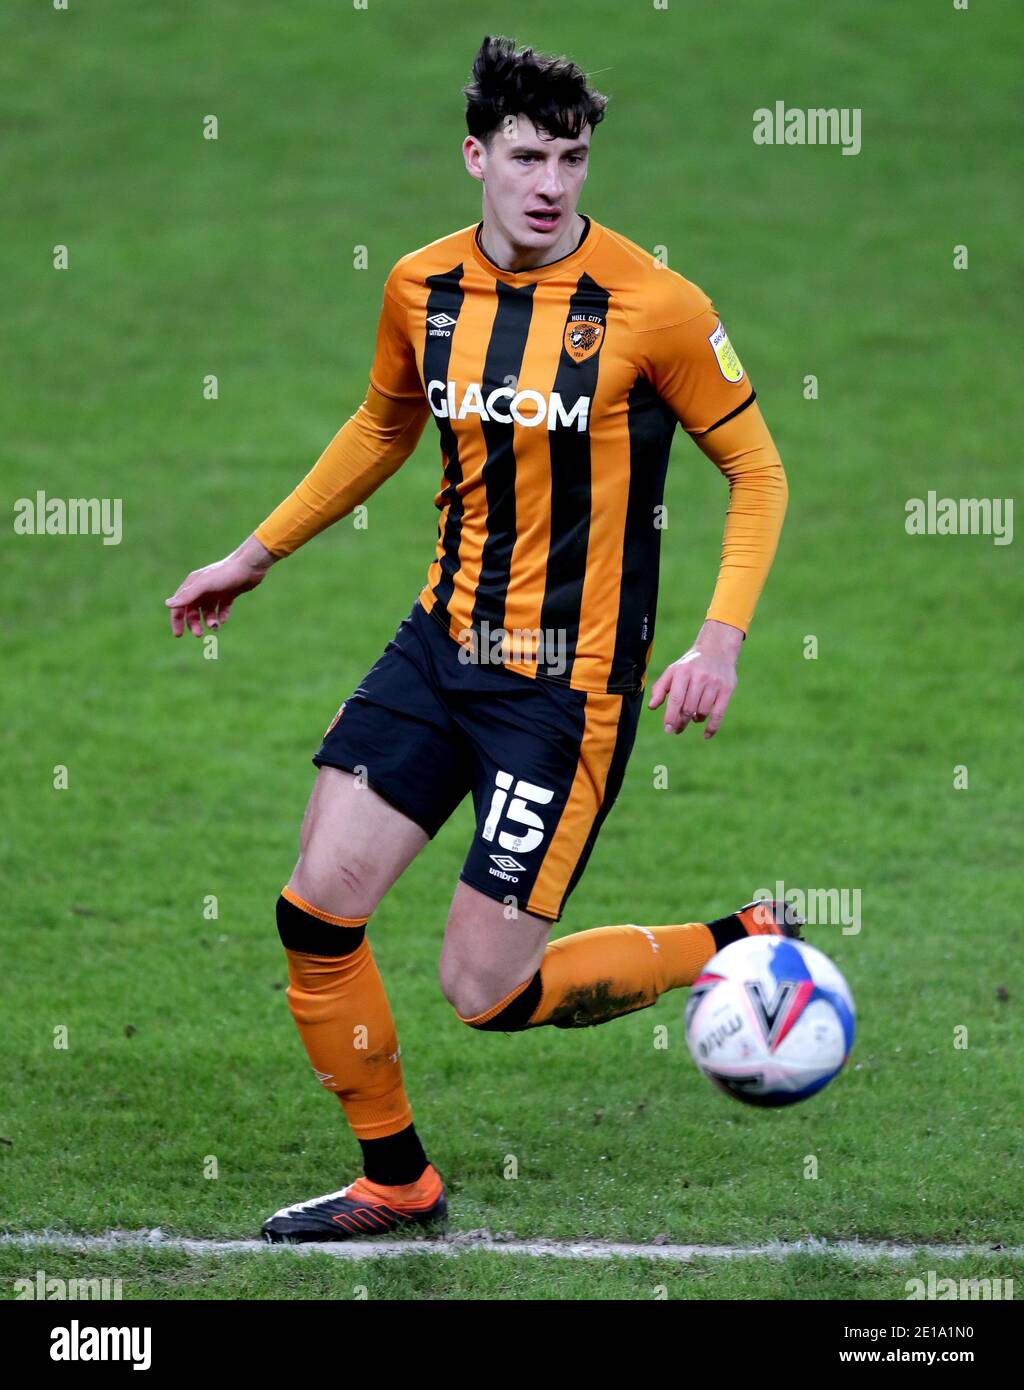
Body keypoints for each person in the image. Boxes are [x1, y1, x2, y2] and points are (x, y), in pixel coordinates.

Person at [165, 34, 795, 1245]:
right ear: (474, 157)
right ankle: (396, 1178)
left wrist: (718, 639)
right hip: (436, 646)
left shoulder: (654, 306)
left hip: (564, 693)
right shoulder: (419, 287)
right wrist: (255, 553)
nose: (552, 182)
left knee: (484, 990)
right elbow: (381, 422)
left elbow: (757, 473)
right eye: (525, 156)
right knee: (316, 909)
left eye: (571, 156)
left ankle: (736, 942)